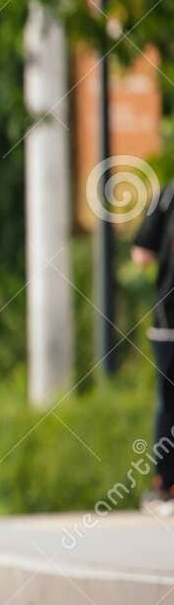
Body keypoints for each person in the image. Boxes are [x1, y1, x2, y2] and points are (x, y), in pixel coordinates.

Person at [131, 182, 174, 517]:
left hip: (169, 318)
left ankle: (165, 487)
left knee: (168, 402)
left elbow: (141, 255)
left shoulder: (168, 194)